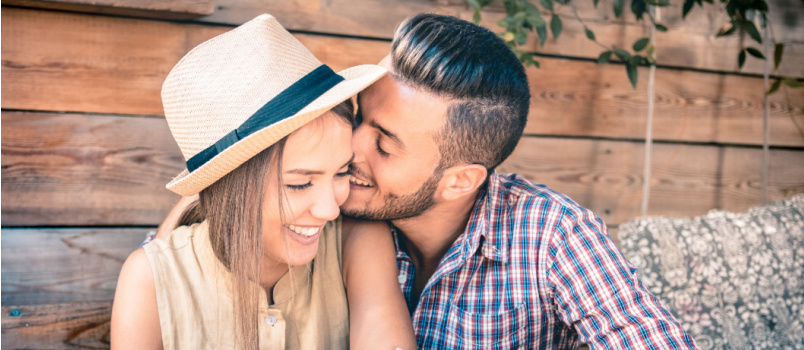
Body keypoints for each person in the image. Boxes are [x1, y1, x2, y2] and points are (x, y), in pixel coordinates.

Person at [157, 13, 699, 349]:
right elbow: (213, 221)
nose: (353, 147)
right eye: (358, 115)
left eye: (385, 143)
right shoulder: (331, 204)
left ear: (459, 181)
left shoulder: (552, 234)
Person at [110, 14, 415, 350]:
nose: (330, 209)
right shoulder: (150, 280)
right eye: (299, 184)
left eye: (342, 172)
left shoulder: (358, 241)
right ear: (231, 187)